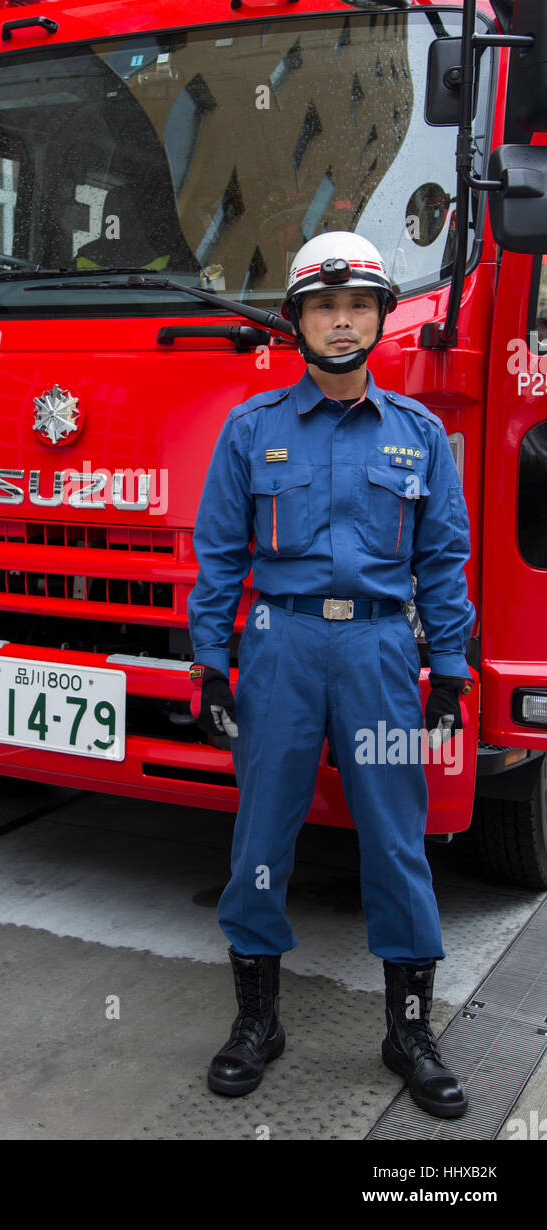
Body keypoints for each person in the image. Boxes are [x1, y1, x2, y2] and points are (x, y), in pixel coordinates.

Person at [187, 230, 476, 1118]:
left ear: (382, 317)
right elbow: (219, 556)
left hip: (383, 655)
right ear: (298, 322)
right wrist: (211, 661)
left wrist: (453, 668)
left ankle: (409, 1032)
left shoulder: (420, 436)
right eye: (324, 306)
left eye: (357, 306)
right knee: (263, 834)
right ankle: (257, 1025)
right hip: (280, 647)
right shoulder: (253, 431)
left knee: (395, 838)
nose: (341, 321)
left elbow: (444, 559)